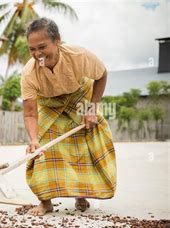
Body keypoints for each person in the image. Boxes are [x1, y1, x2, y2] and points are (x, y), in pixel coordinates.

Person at [21, 18, 117, 216]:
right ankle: (45, 202)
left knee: (86, 141)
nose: (37, 54)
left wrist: (92, 108)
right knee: (42, 148)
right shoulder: (28, 73)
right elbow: (30, 111)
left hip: (79, 96)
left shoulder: (79, 55)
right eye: (32, 49)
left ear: (57, 40)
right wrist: (33, 139)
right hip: (49, 102)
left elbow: (102, 74)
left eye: (42, 47)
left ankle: (80, 193)